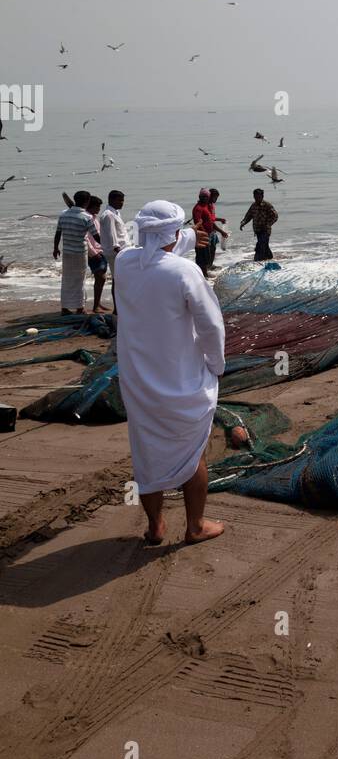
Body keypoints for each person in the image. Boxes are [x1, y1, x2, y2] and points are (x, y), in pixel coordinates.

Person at [114, 200, 226, 546]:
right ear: (174, 233)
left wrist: (186, 237)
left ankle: (155, 526)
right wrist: (216, 365)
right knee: (192, 453)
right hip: (182, 379)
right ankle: (195, 526)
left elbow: (152, 255)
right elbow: (211, 325)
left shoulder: (123, 263)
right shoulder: (184, 272)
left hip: (137, 380)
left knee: (147, 453)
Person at [53, 191, 98, 314]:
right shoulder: (87, 217)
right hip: (79, 252)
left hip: (67, 251)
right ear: (87, 201)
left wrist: (55, 248)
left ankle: (65, 307)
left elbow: (58, 233)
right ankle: (79, 307)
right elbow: (96, 236)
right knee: (79, 279)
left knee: (67, 278)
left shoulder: (63, 214)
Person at [98, 190, 129, 312]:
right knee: (118, 280)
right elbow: (111, 234)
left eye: (123, 201)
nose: (122, 203)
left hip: (121, 250)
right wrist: (117, 248)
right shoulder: (108, 214)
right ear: (112, 200)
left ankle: (121, 306)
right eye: (120, 200)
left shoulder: (115, 213)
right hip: (116, 252)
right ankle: (117, 308)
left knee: (121, 279)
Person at [84, 195, 109, 312]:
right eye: (97, 207)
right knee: (101, 277)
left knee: (101, 278)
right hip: (94, 253)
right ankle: (95, 306)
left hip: (101, 250)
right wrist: (93, 253)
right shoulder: (87, 218)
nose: (99, 209)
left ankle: (97, 303)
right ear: (90, 206)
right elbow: (86, 239)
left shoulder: (95, 218)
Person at [239, 188, 279, 261]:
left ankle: (257, 260)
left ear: (262, 196)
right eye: (255, 197)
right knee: (264, 245)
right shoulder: (253, 205)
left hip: (265, 230)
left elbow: (275, 216)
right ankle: (270, 258)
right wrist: (243, 222)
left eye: (258, 197)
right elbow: (249, 215)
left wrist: (268, 224)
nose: (257, 198)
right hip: (257, 230)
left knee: (260, 245)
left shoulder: (267, 205)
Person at [191, 189, 217, 275]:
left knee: (206, 255)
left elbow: (210, 219)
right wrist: (204, 232)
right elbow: (197, 222)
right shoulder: (198, 208)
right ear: (200, 197)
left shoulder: (205, 206)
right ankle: (202, 275)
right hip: (201, 235)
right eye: (204, 197)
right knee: (201, 256)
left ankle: (204, 273)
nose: (206, 198)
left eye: (207, 197)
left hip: (207, 234)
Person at [207, 187, 229, 267]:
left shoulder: (212, 205)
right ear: (210, 196)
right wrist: (222, 232)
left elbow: (212, 218)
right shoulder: (206, 207)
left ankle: (210, 265)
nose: (216, 199)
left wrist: (220, 219)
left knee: (213, 249)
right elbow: (210, 222)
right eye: (215, 197)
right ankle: (206, 267)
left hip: (213, 231)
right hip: (207, 232)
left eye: (217, 197)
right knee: (208, 251)